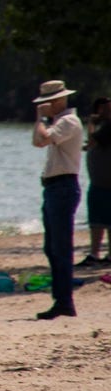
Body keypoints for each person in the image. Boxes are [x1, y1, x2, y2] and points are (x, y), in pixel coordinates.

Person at [33, 79, 83, 318]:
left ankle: (64, 301)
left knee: (61, 247)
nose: (44, 107)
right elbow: (37, 141)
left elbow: (41, 140)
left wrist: (41, 120)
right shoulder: (57, 123)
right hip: (54, 187)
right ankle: (61, 299)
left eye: (47, 102)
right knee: (52, 247)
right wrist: (42, 121)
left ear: (58, 100)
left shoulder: (68, 122)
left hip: (63, 186)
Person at [85, 97, 111, 267]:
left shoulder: (108, 126)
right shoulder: (106, 127)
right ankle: (101, 253)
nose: (102, 112)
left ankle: (95, 253)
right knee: (101, 220)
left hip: (104, 184)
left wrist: (91, 123)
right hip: (100, 182)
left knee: (100, 220)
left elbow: (92, 141)